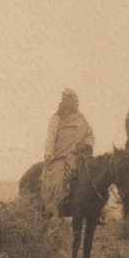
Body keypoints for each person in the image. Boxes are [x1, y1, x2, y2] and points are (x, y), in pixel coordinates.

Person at [41, 88, 101, 223]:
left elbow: (90, 134)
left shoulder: (81, 119)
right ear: (67, 103)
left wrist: (84, 144)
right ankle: (56, 210)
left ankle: (96, 210)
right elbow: (50, 138)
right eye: (75, 102)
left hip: (80, 156)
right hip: (61, 158)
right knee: (56, 178)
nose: (77, 104)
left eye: (78, 102)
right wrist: (48, 153)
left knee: (94, 175)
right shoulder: (56, 119)